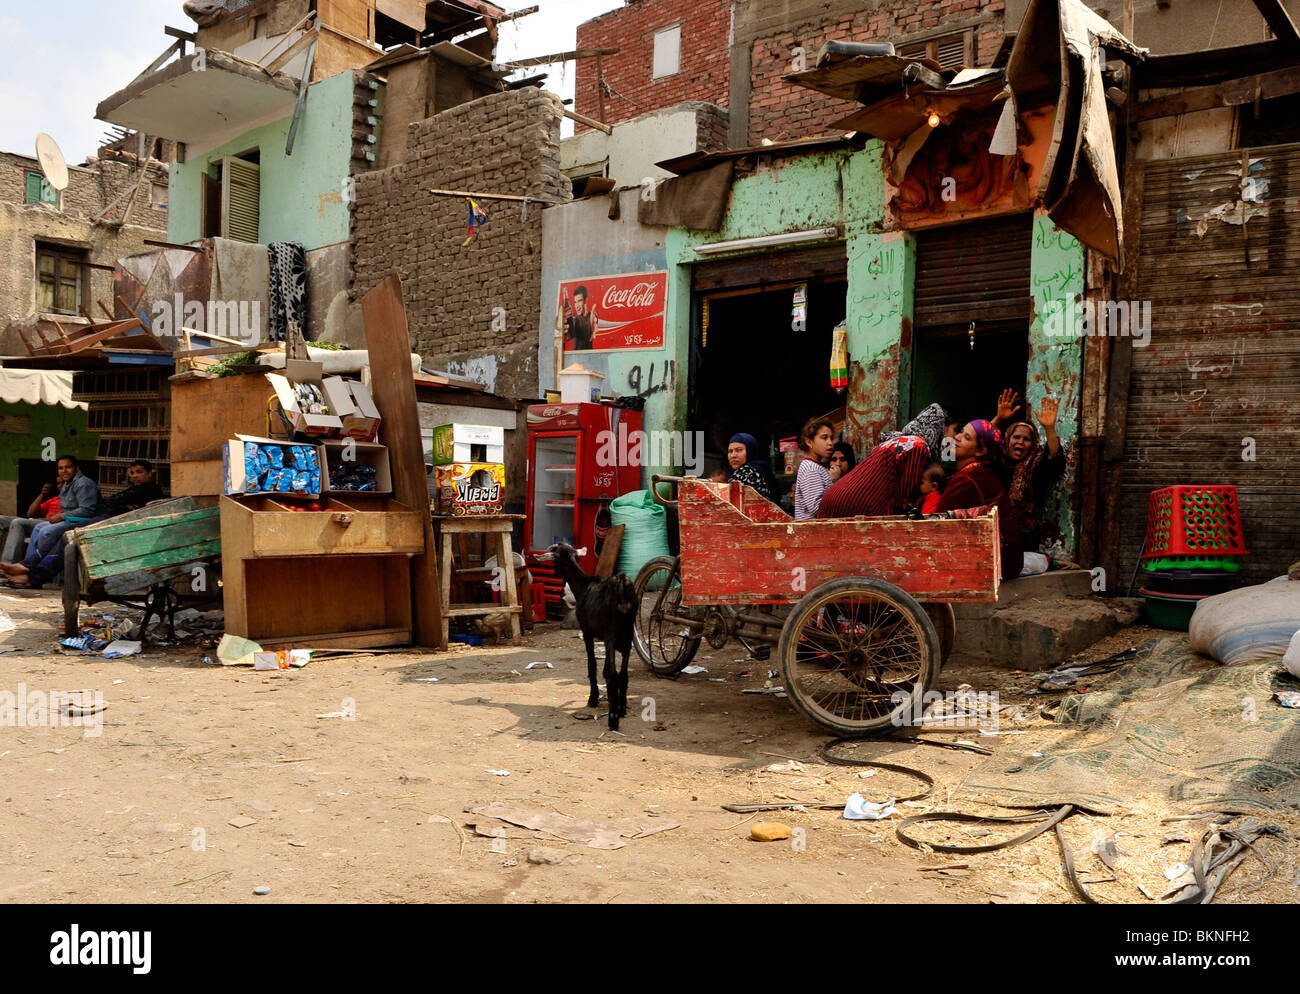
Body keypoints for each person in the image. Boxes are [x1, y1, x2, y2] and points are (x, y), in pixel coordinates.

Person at [3, 460, 161, 589]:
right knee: (62, 533)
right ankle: (29, 568)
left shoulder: (150, 489)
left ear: (150, 474)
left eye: (139, 472)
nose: (135, 476)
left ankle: (33, 575)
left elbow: (111, 502)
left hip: (116, 524)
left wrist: (119, 502)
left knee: (67, 537)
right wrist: (119, 503)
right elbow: (111, 502)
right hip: (108, 519)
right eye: (132, 473)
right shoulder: (133, 490)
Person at [817, 403, 958, 518]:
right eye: (954, 430)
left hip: (836, 498)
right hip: (853, 504)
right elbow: (903, 501)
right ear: (941, 430)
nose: (955, 436)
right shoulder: (918, 446)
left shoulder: (901, 440)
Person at [935, 420, 1022, 581]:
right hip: (1007, 558)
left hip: (1001, 561)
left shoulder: (968, 478)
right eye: (960, 431)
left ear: (981, 451)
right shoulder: (973, 471)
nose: (958, 437)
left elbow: (934, 521)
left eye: (967, 437)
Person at [1001, 396, 1065, 556]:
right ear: (1008, 439)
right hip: (993, 529)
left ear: (1033, 444)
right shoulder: (997, 462)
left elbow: (1054, 460)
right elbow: (980, 446)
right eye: (1016, 437)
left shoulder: (1035, 467)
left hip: (1023, 535)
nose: (1020, 442)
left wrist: (1049, 429)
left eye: (1026, 439)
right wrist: (998, 419)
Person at [1, 475, 64, 563]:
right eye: (58, 483)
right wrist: (43, 494)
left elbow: (61, 518)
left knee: (18, 522)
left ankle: (8, 564)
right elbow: (30, 513)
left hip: (49, 524)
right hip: (36, 521)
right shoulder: (54, 499)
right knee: (1, 519)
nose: (61, 485)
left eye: (64, 483)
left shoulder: (72, 500)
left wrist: (43, 520)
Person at [792, 417, 835, 520]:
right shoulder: (810, 468)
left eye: (831, 438)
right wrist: (834, 482)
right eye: (824, 438)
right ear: (809, 442)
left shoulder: (817, 466)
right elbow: (817, 508)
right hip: (812, 532)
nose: (830, 443)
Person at [726, 433, 777, 501]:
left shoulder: (746, 471)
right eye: (730, 451)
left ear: (750, 451)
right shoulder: (762, 469)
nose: (733, 455)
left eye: (739, 450)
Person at [555, 285, 598, 351]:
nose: (577, 306)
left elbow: (591, 322)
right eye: (575, 302)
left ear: (586, 300)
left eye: (579, 301)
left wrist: (594, 323)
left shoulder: (591, 316)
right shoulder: (573, 318)